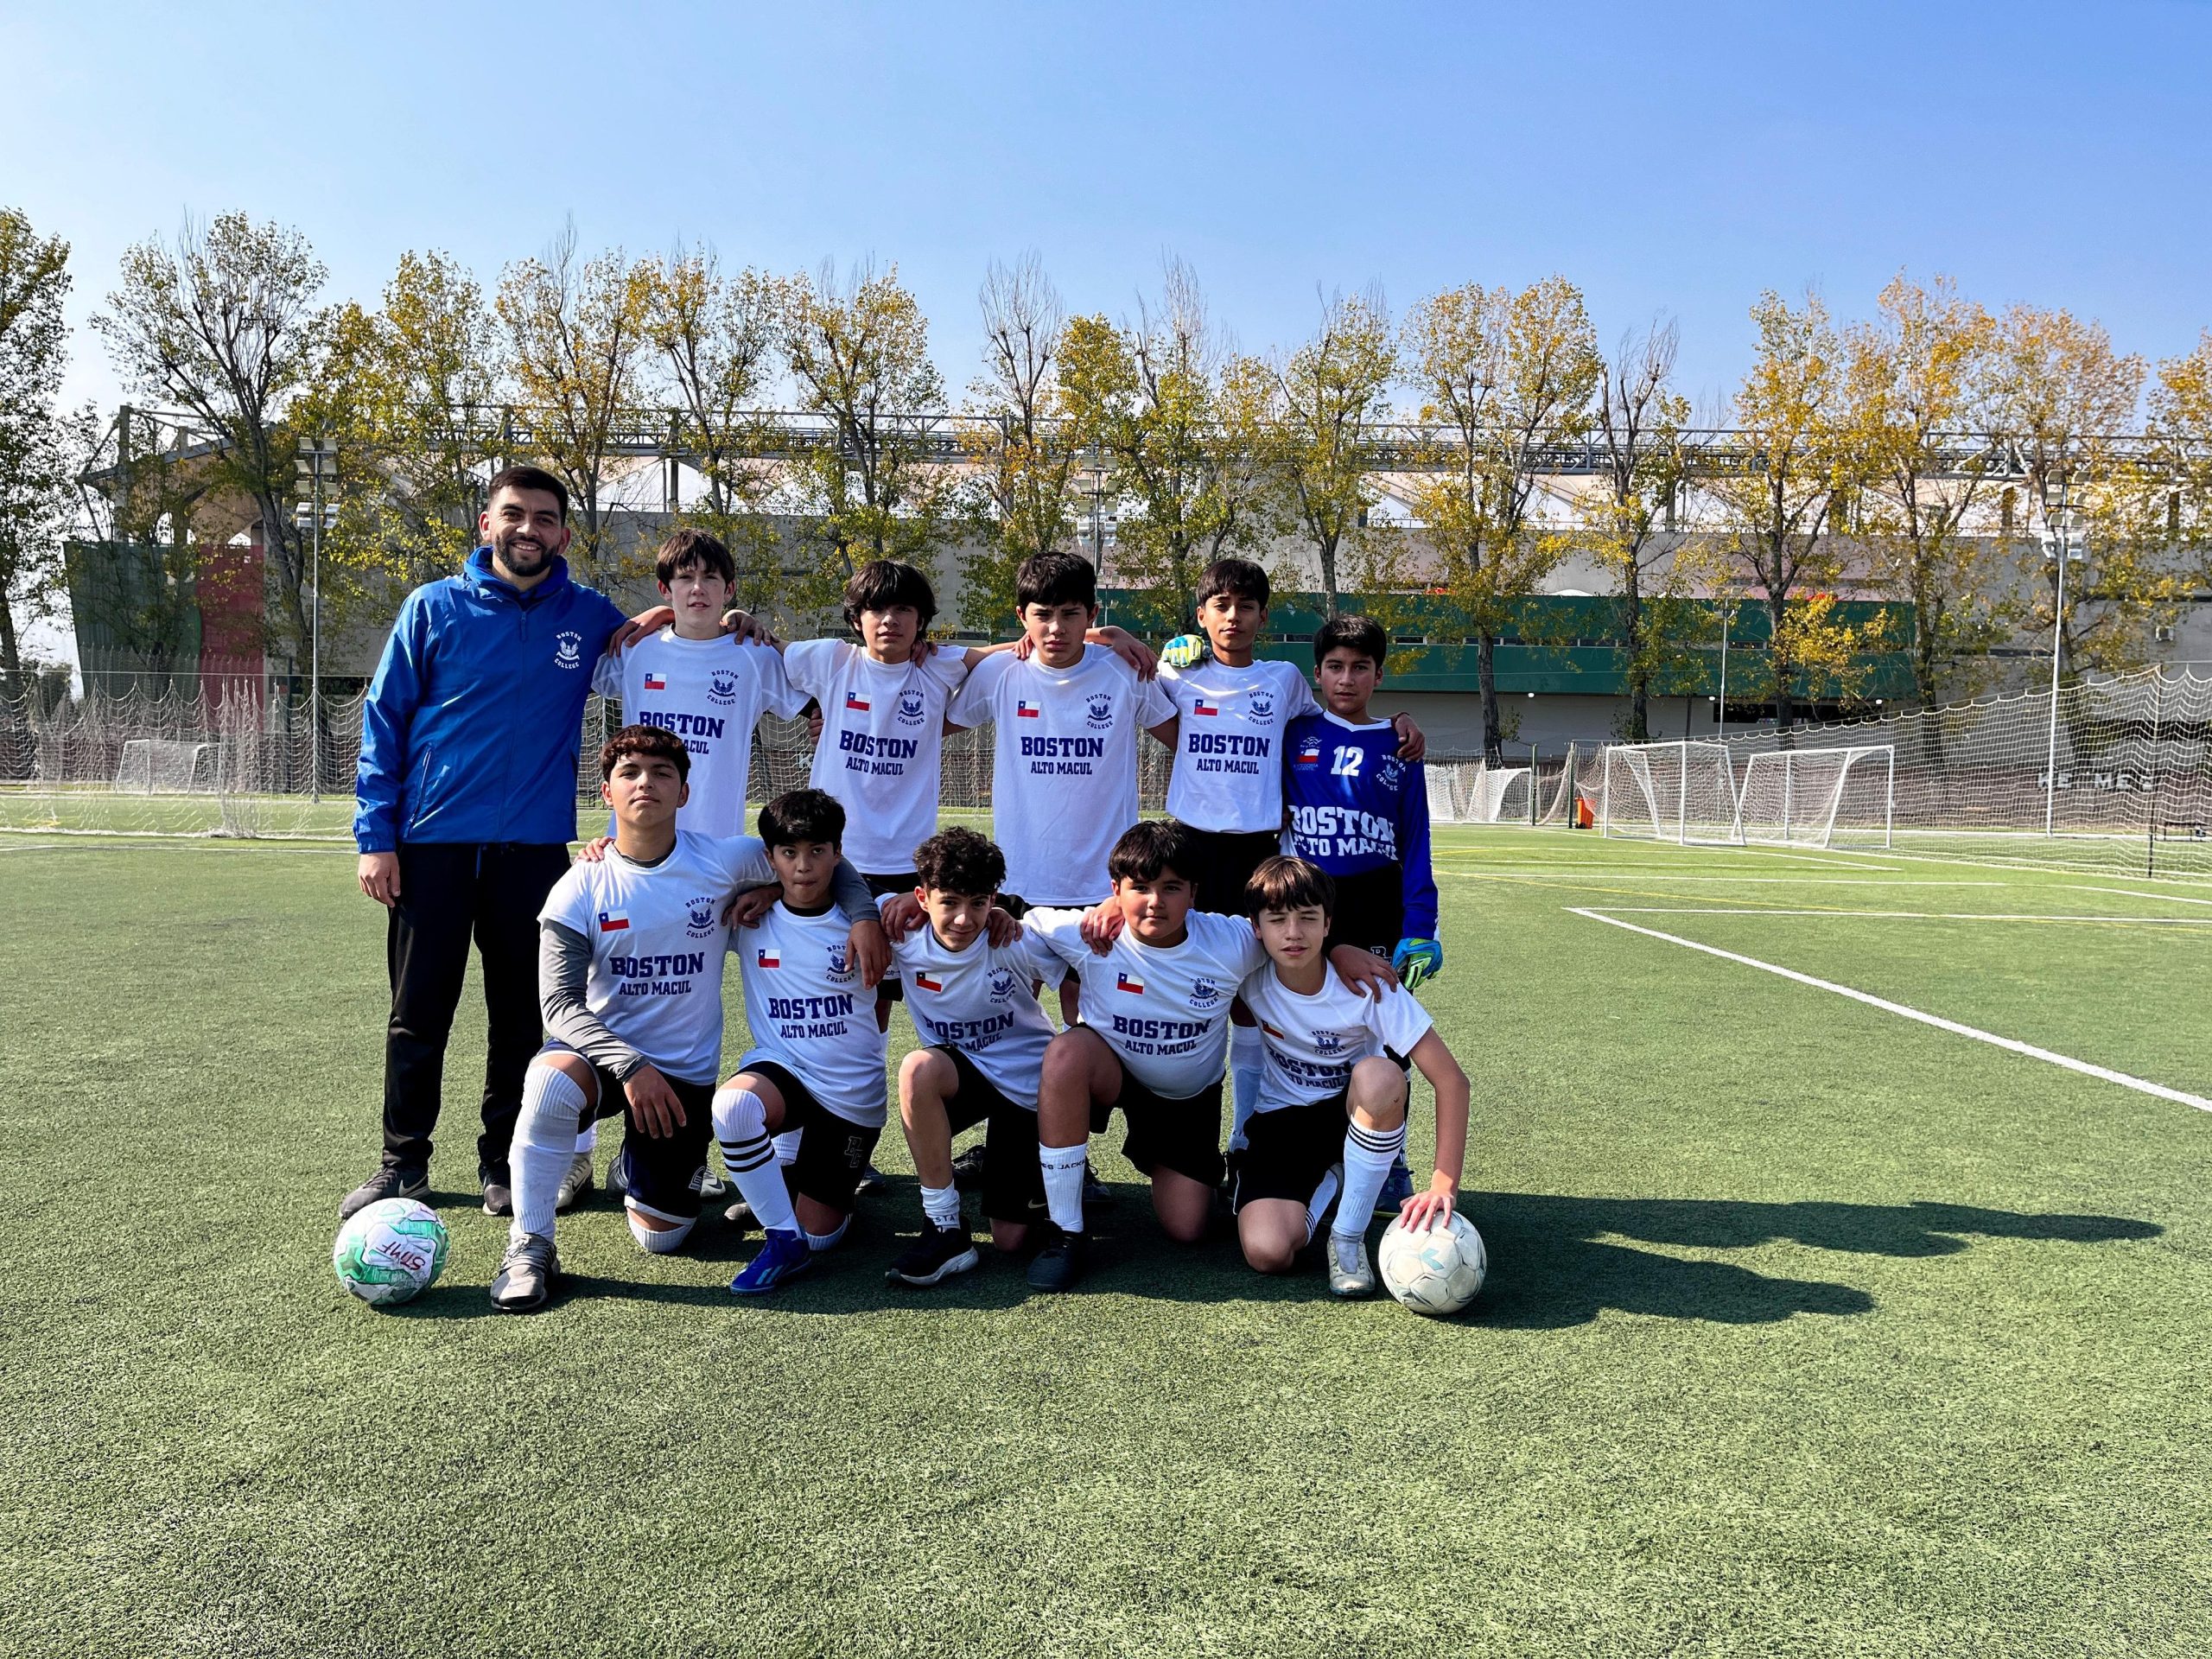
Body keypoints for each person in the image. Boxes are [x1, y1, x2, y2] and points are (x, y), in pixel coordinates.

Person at [341, 466, 691, 1222]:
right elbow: (384, 722)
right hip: (431, 845)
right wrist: (377, 837)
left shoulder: (588, 614)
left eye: (543, 518)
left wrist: (716, 622)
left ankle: (502, 1161)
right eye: (513, 515)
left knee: (520, 1018)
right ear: (485, 523)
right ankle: (402, 1164)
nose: (527, 529)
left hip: (532, 853)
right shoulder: (433, 608)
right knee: (418, 1013)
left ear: (564, 533)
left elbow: (661, 638)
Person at [487, 727, 882, 1313]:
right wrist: (629, 1064)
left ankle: (641, 1168)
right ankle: (530, 1244)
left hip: (682, 1080)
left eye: (661, 773)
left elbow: (820, 856)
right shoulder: (580, 885)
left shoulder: (725, 860)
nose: (645, 782)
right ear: (607, 794)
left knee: (662, 1238)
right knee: (546, 1080)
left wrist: (861, 915)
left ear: (684, 794)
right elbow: (560, 1007)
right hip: (606, 1058)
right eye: (630, 773)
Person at [1020, 818, 1395, 1292]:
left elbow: (1289, 933)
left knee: (1188, 1228)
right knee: (1066, 1052)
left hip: (1185, 1102)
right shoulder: (1088, 931)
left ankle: (1230, 1169)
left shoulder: (1228, 941)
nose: (1156, 901)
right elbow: (1020, 924)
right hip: (1111, 1075)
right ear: (1116, 890)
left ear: (1194, 893)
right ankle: (1066, 1231)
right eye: (1140, 888)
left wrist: (1339, 949)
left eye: (1171, 888)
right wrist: (919, 902)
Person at [1151, 557, 1425, 1157]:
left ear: (1263, 618)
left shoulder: (1284, 683)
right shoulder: (1178, 676)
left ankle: (1247, 1135)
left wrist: (1400, 720)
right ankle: (1180, 1138)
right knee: (1189, 995)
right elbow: (1122, 674)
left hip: (1257, 855)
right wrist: (1132, 641)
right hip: (1190, 849)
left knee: (1254, 999)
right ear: (1201, 616)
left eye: (1245, 606)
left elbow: (1342, 720)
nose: (1233, 617)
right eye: (1220, 606)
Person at [577, 528, 805, 1206]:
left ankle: (791, 1146)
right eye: (684, 580)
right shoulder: (637, 649)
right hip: (637, 858)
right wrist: (633, 623)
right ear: (665, 591)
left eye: (711, 579)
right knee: (608, 992)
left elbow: (805, 695)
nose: (698, 590)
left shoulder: (753, 656)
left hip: (721, 862)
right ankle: (578, 1149)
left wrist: (760, 631)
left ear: (730, 591)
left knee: (721, 1001)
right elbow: (575, 666)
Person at [944, 551, 1176, 1027]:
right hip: (1015, 881)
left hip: (1099, 884)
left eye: (1071, 614)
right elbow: (932, 727)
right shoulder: (1000, 672)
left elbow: (1184, 740)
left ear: (1092, 615)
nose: (1055, 628)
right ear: (1021, 617)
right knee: (1005, 1015)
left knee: (1086, 1020)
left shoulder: (1125, 670)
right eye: (1042, 615)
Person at [1230, 856, 1469, 1298]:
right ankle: (1338, 1177)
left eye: (1307, 919)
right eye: (1278, 920)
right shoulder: (1247, 975)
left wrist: (1443, 1185)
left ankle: (1348, 1237)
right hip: (1281, 1122)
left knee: (1380, 1074)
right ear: (1256, 928)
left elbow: (1452, 1080)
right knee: (1268, 1252)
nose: (1293, 933)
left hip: (1354, 1113)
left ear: (1328, 925)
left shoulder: (1368, 985)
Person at [1281, 612, 1444, 1207]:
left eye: (1360, 668)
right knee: (1292, 1025)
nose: (1346, 679)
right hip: (1307, 899)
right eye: (1335, 667)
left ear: (1379, 674)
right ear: (1317, 672)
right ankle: (1262, 1139)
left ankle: (1390, 1154)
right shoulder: (1294, 732)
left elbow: (1417, 839)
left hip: (1377, 904)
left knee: (1383, 1031)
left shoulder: (1401, 747)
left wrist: (1421, 925)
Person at [711, 789, 895, 1294]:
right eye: (789, 854)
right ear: (770, 860)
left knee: (823, 1236)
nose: (804, 866)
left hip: (850, 1094)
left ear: (839, 854)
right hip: (783, 1067)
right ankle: (781, 1236)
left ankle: (812, 1198)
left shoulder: (872, 919)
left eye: (818, 852)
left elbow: (934, 918)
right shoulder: (747, 915)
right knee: (732, 1108)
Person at [880, 828, 1056, 1287]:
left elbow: (1081, 954)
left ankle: (1034, 1166)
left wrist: (1010, 910)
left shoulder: (1014, 938)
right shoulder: (900, 933)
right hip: (962, 1078)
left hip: (1028, 1089)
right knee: (917, 1067)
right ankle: (945, 1226)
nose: (963, 918)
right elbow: (830, 889)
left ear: (993, 898)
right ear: (922, 896)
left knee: (1011, 1241)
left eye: (978, 902)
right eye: (950, 902)